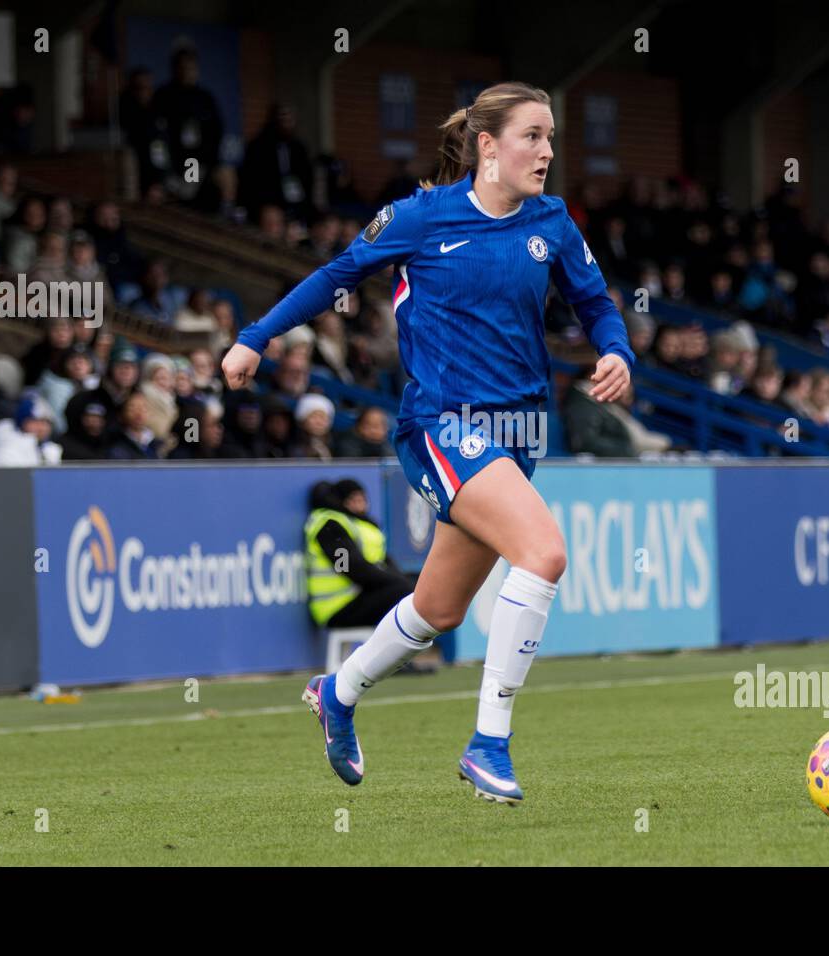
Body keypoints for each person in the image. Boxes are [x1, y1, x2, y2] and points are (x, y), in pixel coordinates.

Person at [221, 82, 634, 803]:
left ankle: (338, 692)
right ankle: (489, 742)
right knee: (543, 554)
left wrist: (615, 349)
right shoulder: (420, 217)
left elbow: (596, 303)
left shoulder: (553, 222)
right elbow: (335, 276)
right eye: (532, 136)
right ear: (486, 146)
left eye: (551, 138)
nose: (546, 151)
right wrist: (256, 338)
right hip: (441, 425)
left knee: (437, 610)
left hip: (518, 434)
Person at [303, 479, 417, 631]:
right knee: (404, 590)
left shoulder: (359, 524)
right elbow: (348, 567)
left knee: (416, 585)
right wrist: (396, 582)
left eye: (362, 499)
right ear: (341, 502)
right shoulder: (329, 525)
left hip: (358, 598)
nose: (359, 505)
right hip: (336, 607)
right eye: (353, 500)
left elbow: (383, 562)